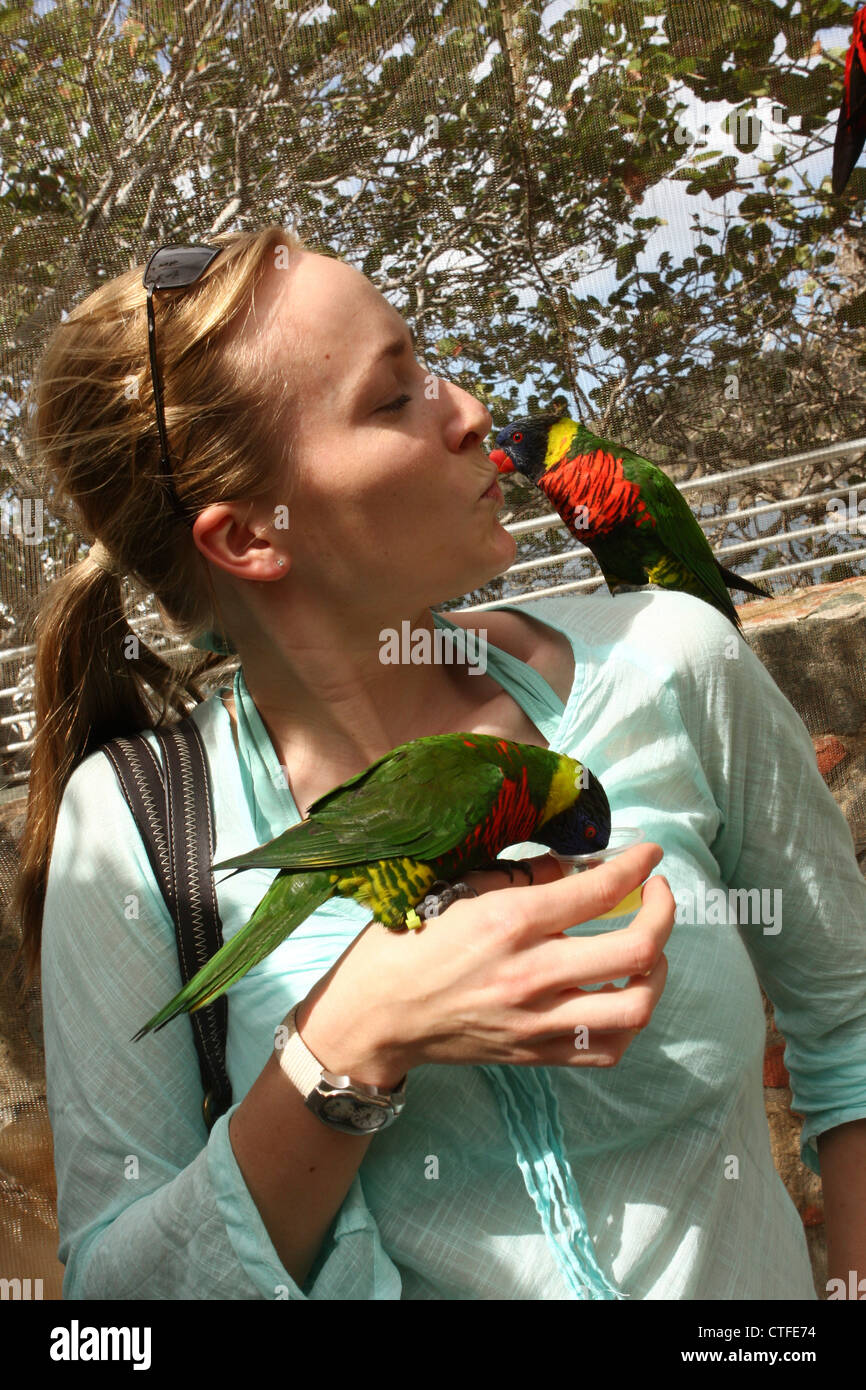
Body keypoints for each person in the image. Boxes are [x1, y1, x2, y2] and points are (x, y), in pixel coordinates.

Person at [14, 225, 866, 1300]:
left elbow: (849, 1028)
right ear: (249, 539)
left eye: (430, 361)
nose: (467, 413)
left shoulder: (666, 658)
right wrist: (356, 1036)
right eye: (394, 394)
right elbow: (111, 1313)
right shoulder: (132, 831)